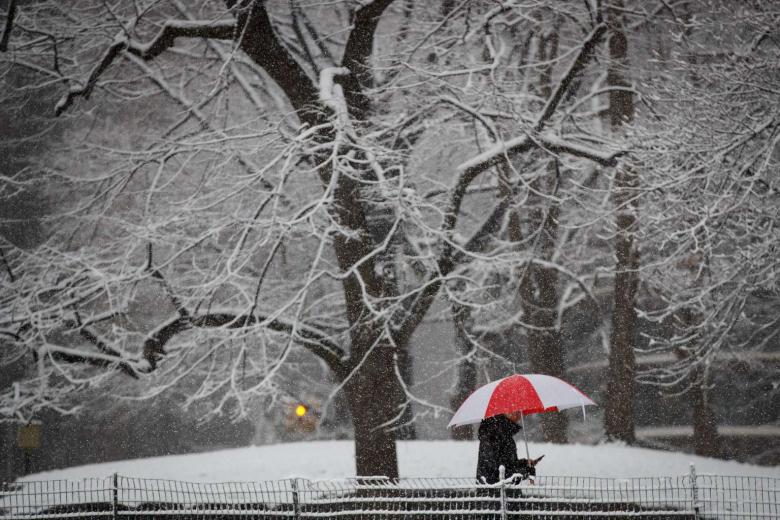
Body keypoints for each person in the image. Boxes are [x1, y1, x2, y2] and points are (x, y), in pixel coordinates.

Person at [476, 412, 538, 484]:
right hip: (494, 492)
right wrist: (524, 472)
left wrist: (524, 464)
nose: (519, 414)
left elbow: (508, 463)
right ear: (504, 412)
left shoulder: (504, 433)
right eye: (516, 411)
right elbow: (497, 471)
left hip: (503, 491)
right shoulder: (492, 434)